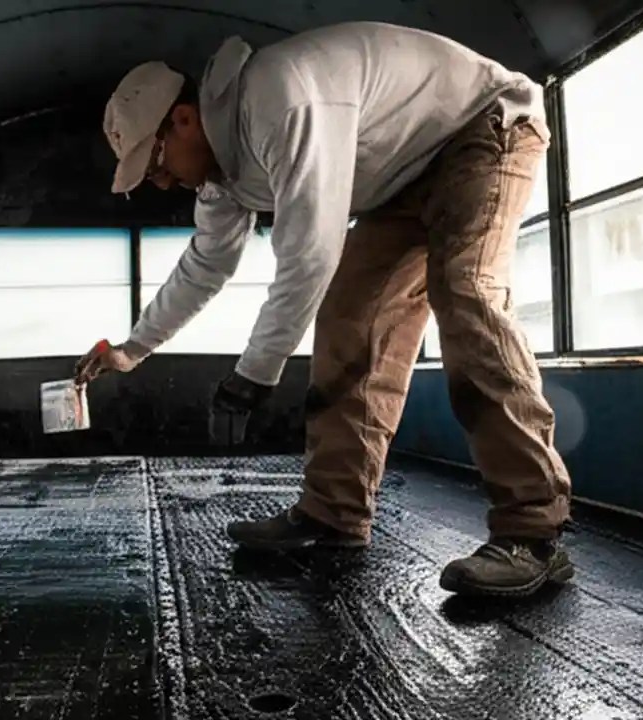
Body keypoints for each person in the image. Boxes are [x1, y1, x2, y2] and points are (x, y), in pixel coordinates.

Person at [75, 21, 574, 597]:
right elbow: (205, 266)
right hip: (404, 176)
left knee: (465, 291)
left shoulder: (279, 101)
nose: (162, 182)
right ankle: (333, 514)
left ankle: (533, 531)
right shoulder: (221, 177)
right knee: (347, 320)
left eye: (157, 162)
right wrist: (132, 349)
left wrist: (253, 376)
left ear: (183, 119)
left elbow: (310, 254)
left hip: (483, 126)